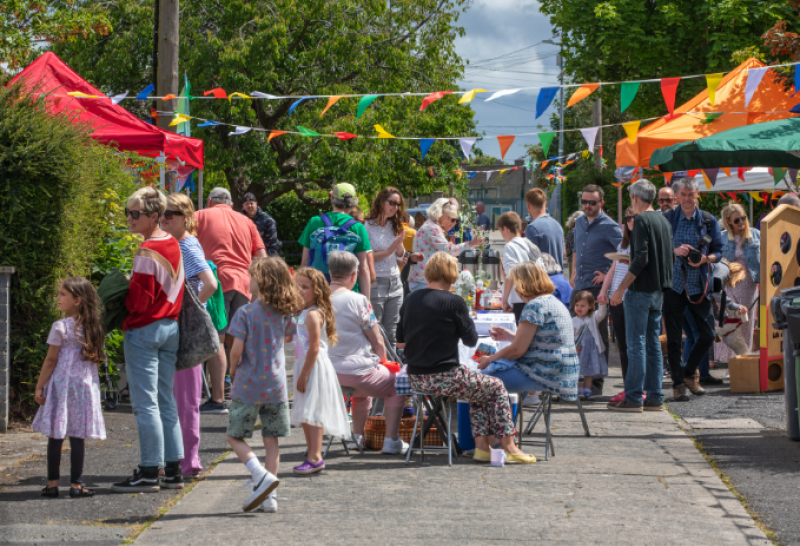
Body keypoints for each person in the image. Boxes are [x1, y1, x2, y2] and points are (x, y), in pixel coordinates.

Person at [397, 252, 535, 464]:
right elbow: (470, 340)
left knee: (478, 389)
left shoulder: (410, 299)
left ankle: (482, 447)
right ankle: (509, 446)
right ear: (452, 275)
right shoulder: (454, 302)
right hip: (445, 376)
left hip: (417, 376)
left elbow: (400, 342)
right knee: (496, 386)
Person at [113, 186, 184, 492]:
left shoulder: (145, 251)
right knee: (166, 401)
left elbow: (138, 303)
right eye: (129, 212)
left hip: (145, 330)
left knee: (145, 405)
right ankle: (172, 470)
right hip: (171, 326)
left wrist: (123, 293)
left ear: (153, 216)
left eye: (135, 213)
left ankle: (147, 471)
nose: (130, 218)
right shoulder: (172, 242)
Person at [226, 258, 302, 513]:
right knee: (272, 440)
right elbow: (290, 335)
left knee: (234, 436)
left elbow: (236, 349)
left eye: (253, 276)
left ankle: (258, 474)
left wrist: (232, 369)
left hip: (248, 384)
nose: (249, 281)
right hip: (276, 386)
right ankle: (270, 498)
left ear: (263, 282)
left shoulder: (245, 313)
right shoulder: (284, 312)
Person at [161, 194, 219, 479]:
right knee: (180, 398)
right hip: (182, 330)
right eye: (161, 213)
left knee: (184, 400)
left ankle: (188, 461)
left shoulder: (185, 245)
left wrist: (191, 310)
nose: (163, 218)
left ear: (184, 217)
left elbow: (210, 283)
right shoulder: (183, 243)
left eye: (169, 213)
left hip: (185, 331)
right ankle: (180, 459)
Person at [327, 251, 409, 455]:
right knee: (398, 383)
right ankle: (391, 440)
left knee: (362, 391)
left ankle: (357, 437)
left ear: (330, 273)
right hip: (356, 370)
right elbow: (377, 340)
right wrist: (383, 361)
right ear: (354, 275)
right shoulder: (358, 300)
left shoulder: (317, 300)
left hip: (325, 372)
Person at [33, 277, 106, 499]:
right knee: (77, 435)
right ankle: (76, 484)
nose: (58, 298)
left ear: (77, 300)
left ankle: (52, 484)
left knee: (56, 434)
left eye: (62, 294)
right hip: (83, 387)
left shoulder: (60, 327)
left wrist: (39, 386)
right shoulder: (94, 327)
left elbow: (51, 360)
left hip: (62, 386)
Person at [196, 187, 267, 415]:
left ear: (209, 201)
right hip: (245, 284)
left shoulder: (199, 216)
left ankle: (217, 399)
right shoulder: (246, 221)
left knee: (217, 337)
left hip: (215, 283)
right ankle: (243, 395)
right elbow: (262, 257)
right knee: (240, 342)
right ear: (231, 204)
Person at [607, 180, 673, 412]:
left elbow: (642, 258)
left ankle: (634, 397)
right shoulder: (663, 220)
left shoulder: (642, 220)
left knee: (636, 345)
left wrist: (620, 289)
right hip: (658, 290)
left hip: (640, 291)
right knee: (653, 344)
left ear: (635, 198)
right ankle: (655, 396)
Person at [476, 261, 579, 403]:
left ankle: (495, 423)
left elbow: (516, 351)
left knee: (478, 380)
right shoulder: (553, 302)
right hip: (563, 373)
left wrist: (489, 359)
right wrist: (511, 336)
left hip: (545, 375)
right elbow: (542, 340)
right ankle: (506, 421)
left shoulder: (534, 306)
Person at [661, 177, 723, 401]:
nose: (687, 199)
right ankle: (678, 384)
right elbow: (656, 248)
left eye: (691, 194)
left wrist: (706, 259)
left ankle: (689, 373)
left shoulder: (708, 220)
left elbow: (719, 250)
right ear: (677, 196)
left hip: (699, 285)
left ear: (698, 195)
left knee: (707, 335)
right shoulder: (667, 219)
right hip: (673, 286)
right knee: (675, 339)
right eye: (683, 195)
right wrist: (674, 251)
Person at [292, 268, 351, 475]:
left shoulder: (313, 314)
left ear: (317, 291)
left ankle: (315, 457)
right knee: (306, 412)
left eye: (305, 287)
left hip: (313, 366)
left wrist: (304, 374)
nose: (300, 290)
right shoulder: (302, 313)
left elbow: (314, 347)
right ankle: (312, 454)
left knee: (312, 412)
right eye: (297, 286)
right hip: (305, 364)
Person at [571, 184, 622, 396]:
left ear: (601, 203)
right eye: (584, 201)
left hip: (597, 288)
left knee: (596, 336)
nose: (588, 205)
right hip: (580, 284)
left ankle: (597, 385)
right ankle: (578, 381)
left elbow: (623, 256)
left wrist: (607, 276)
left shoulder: (610, 226)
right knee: (575, 336)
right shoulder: (579, 222)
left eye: (592, 202)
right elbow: (576, 249)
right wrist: (573, 272)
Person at [299, 183, 372, 296]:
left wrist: (301, 293)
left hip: (317, 292)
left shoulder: (315, 222)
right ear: (354, 202)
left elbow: (304, 262)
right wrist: (367, 303)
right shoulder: (358, 227)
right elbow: (363, 269)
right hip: (348, 293)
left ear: (332, 198)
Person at [714, 203, 760, 367]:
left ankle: (743, 362)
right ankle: (726, 363)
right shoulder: (721, 237)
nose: (742, 222)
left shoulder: (755, 235)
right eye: (737, 219)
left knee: (745, 323)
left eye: (743, 218)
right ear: (728, 221)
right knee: (727, 322)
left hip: (748, 284)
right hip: (729, 283)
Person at [598, 206, 635, 403]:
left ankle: (636, 388)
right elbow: (612, 270)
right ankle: (629, 387)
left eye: (634, 217)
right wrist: (604, 291)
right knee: (622, 344)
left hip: (632, 297)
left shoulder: (642, 242)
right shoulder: (623, 242)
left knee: (634, 345)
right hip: (616, 298)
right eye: (628, 218)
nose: (631, 221)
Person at [408, 198, 483, 291]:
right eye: (450, 218)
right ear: (441, 213)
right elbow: (448, 250)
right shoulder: (432, 228)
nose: (452, 222)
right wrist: (471, 243)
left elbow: (441, 252)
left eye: (455, 219)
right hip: (423, 281)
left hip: (422, 279)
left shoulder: (431, 225)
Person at [365, 187, 409, 346]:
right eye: (392, 203)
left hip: (396, 283)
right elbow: (365, 257)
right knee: (375, 332)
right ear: (381, 201)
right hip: (377, 283)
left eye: (398, 204)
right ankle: (376, 369)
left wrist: (399, 244)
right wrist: (389, 250)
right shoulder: (367, 226)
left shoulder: (393, 225)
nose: (395, 207)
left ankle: (390, 369)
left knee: (391, 333)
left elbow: (399, 254)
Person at [496, 211, 542, 321]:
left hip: (519, 300)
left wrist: (505, 300)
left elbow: (511, 274)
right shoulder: (531, 245)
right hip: (536, 297)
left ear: (506, 229)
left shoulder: (510, 246)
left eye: (501, 231)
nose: (502, 235)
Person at [572, 291, 608, 400]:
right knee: (579, 371)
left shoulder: (593, 317)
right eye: (577, 305)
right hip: (580, 349)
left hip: (591, 350)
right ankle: (579, 390)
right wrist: (573, 346)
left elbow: (601, 313)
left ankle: (587, 390)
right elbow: (570, 336)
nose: (579, 308)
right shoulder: (573, 320)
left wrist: (602, 304)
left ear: (590, 306)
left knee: (589, 371)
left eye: (583, 306)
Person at [524, 188, 564, 268]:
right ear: (545, 204)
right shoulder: (557, 225)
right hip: (558, 277)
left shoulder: (532, 228)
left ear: (528, 206)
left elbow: (531, 262)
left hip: (543, 278)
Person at [241, 192, 280, 256]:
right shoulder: (238, 220)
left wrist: (264, 262)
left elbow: (273, 247)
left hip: (263, 258)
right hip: (244, 257)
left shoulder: (268, 221)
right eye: (246, 204)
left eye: (251, 203)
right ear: (243, 206)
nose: (249, 206)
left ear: (256, 204)